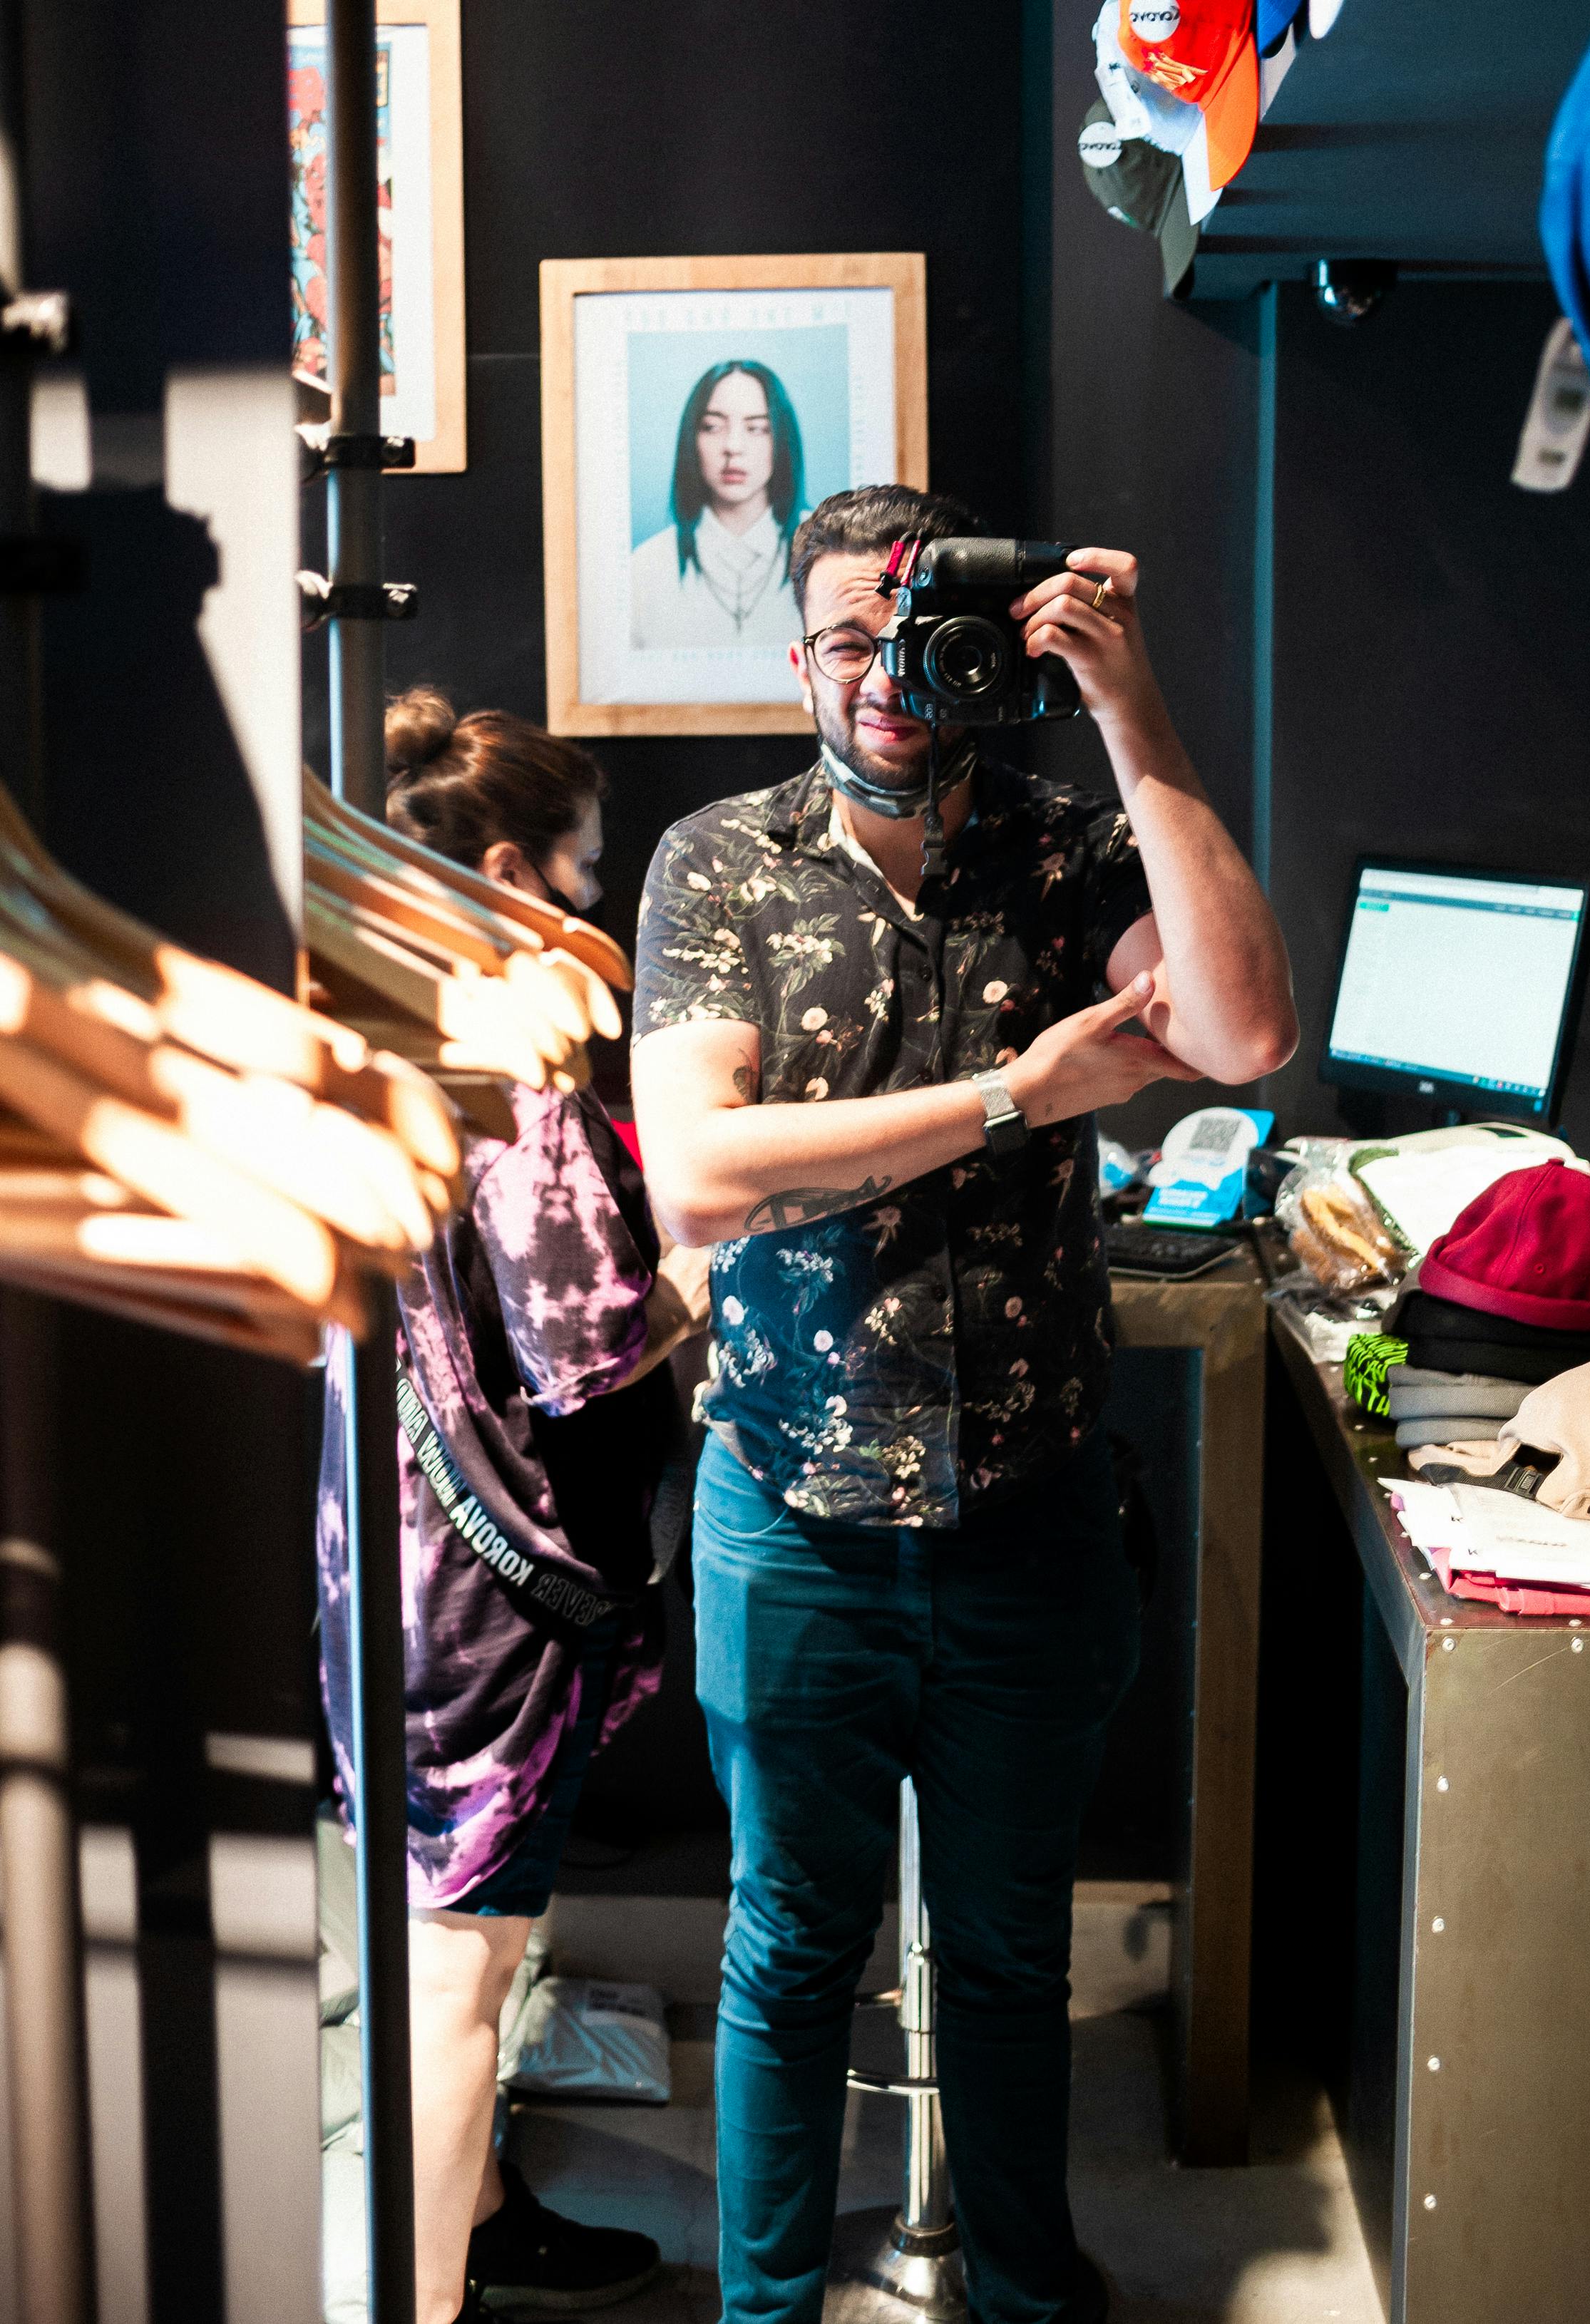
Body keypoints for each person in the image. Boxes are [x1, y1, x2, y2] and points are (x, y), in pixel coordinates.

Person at [630, 483, 1298, 2324]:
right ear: (801, 660)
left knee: (1009, 1958)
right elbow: (696, 1174)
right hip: (793, 1515)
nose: (885, 677)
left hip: (1026, 1511)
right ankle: (764, 2312)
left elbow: (1245, 1032)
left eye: (916, 637)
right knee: (788, 1953)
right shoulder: (721, 862)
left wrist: (1133, 707)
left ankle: (1023, 2290)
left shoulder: (1075, 851)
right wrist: (1024, 1090)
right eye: (849, 639)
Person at [315, 687, 712, 2324]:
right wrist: (705, 1257)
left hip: (379, 1551)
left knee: (430, 1941)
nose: (599, 903)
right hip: (493, 1596)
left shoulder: (349, 1011)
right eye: (583, 866)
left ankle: (481, 2222)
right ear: (502, 863)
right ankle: (427, 2293)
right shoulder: (513, 1052)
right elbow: (586, 1340)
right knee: (459, 1971)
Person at [630, 359, 808, 652]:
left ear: (782, 440)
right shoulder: (646, 567)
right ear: (691, 439)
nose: (733, 447)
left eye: (757, 428)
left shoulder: (827, 549)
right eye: (712, 427)